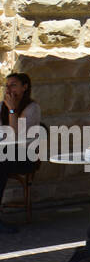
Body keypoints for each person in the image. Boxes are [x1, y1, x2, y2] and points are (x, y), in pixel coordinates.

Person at [0, 73, 41, 234]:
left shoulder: (32, 108)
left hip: (26, 156)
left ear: (25, 87)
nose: (9, 89)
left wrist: (11, 110)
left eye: (14, 85)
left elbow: (16, 137)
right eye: (7, 85)